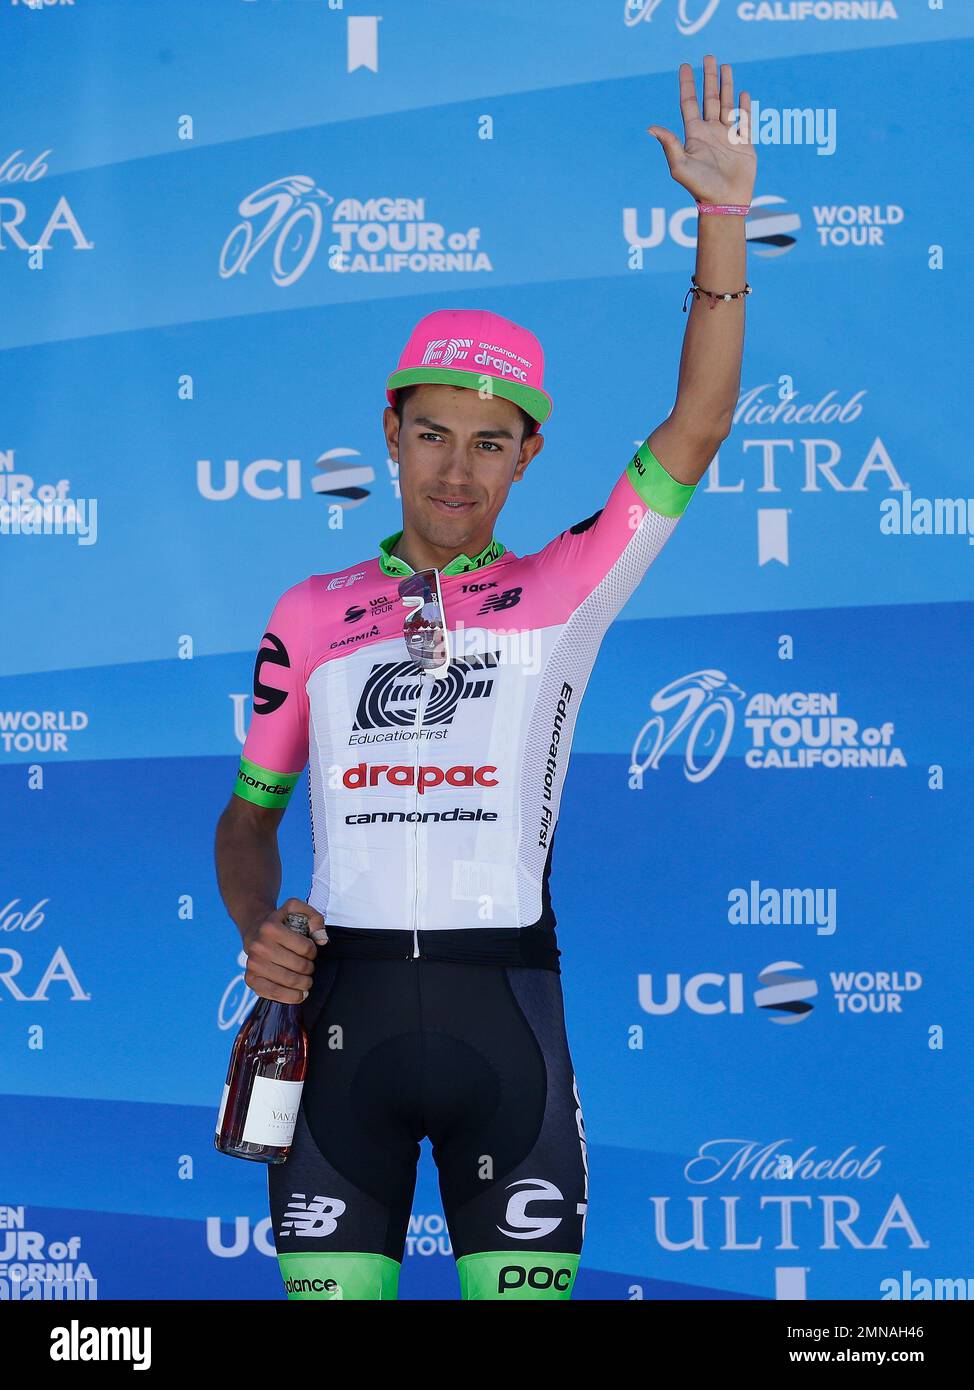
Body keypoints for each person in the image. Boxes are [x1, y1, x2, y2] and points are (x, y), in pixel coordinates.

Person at [215, 56, 756, 1300]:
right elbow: (247, 818)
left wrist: (720, 216)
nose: (455, 471)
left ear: (526, 458)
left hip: (505, 1029)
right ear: (391, 435)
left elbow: (699, 425)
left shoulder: (568, 588)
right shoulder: (310, 610)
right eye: (431, 436)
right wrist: (257, 927)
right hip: (335, 1036)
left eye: (489, 443)